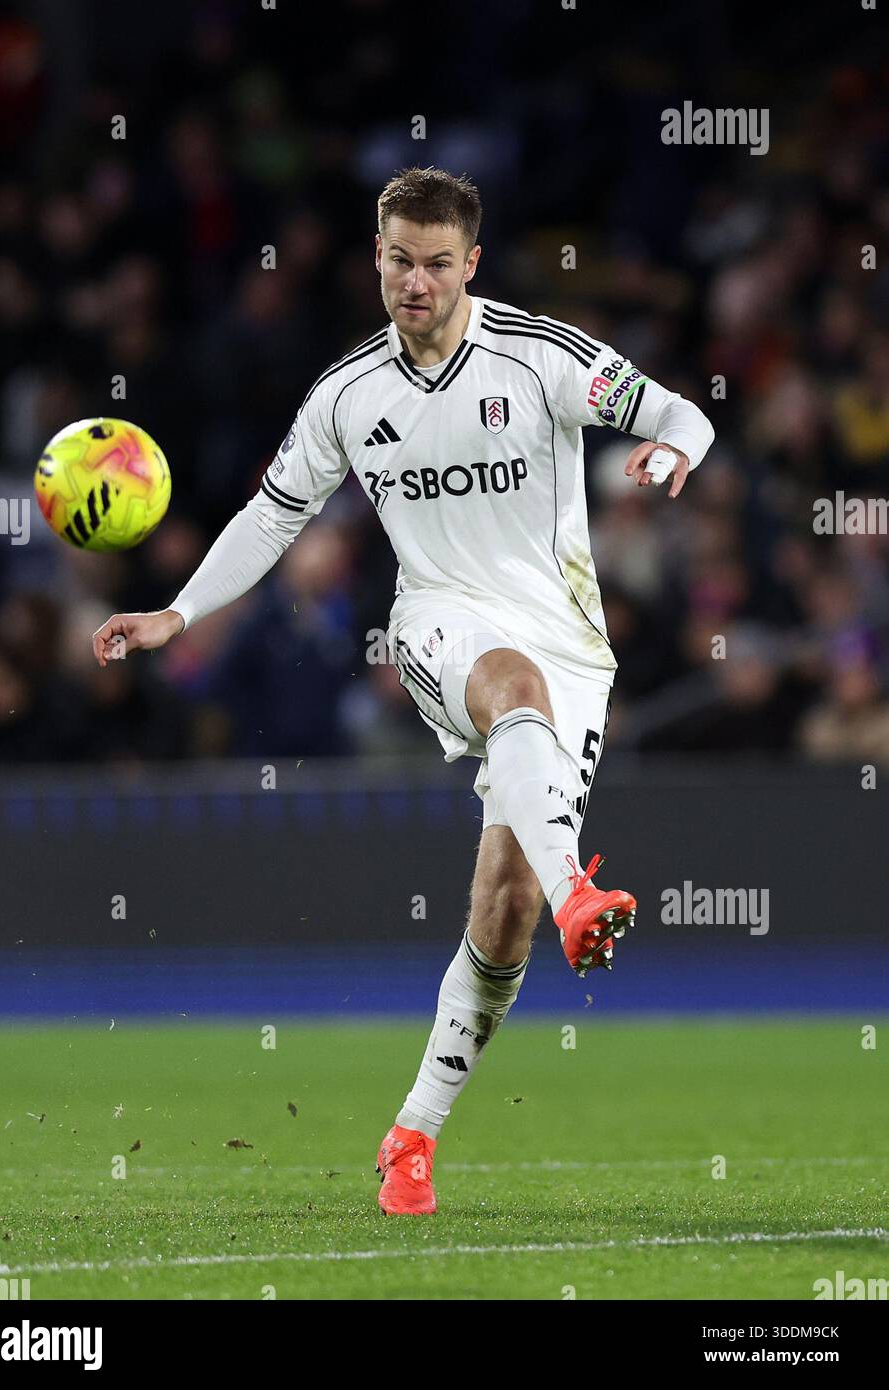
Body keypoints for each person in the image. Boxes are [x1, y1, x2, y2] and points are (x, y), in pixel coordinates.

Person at [92, 167, 714, 1215]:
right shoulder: (346, 394)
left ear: (469, 263)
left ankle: (411, 1132)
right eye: (396, 261)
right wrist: (177, 614)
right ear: (373, 254)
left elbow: (678, 410)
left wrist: (669, 453)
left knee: (500, 909)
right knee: (509, 697)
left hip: (570, 647)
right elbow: (272, 514)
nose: (413, 283)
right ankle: (582, 894)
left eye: (435, 264)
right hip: (433, 620)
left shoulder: (540, 356)